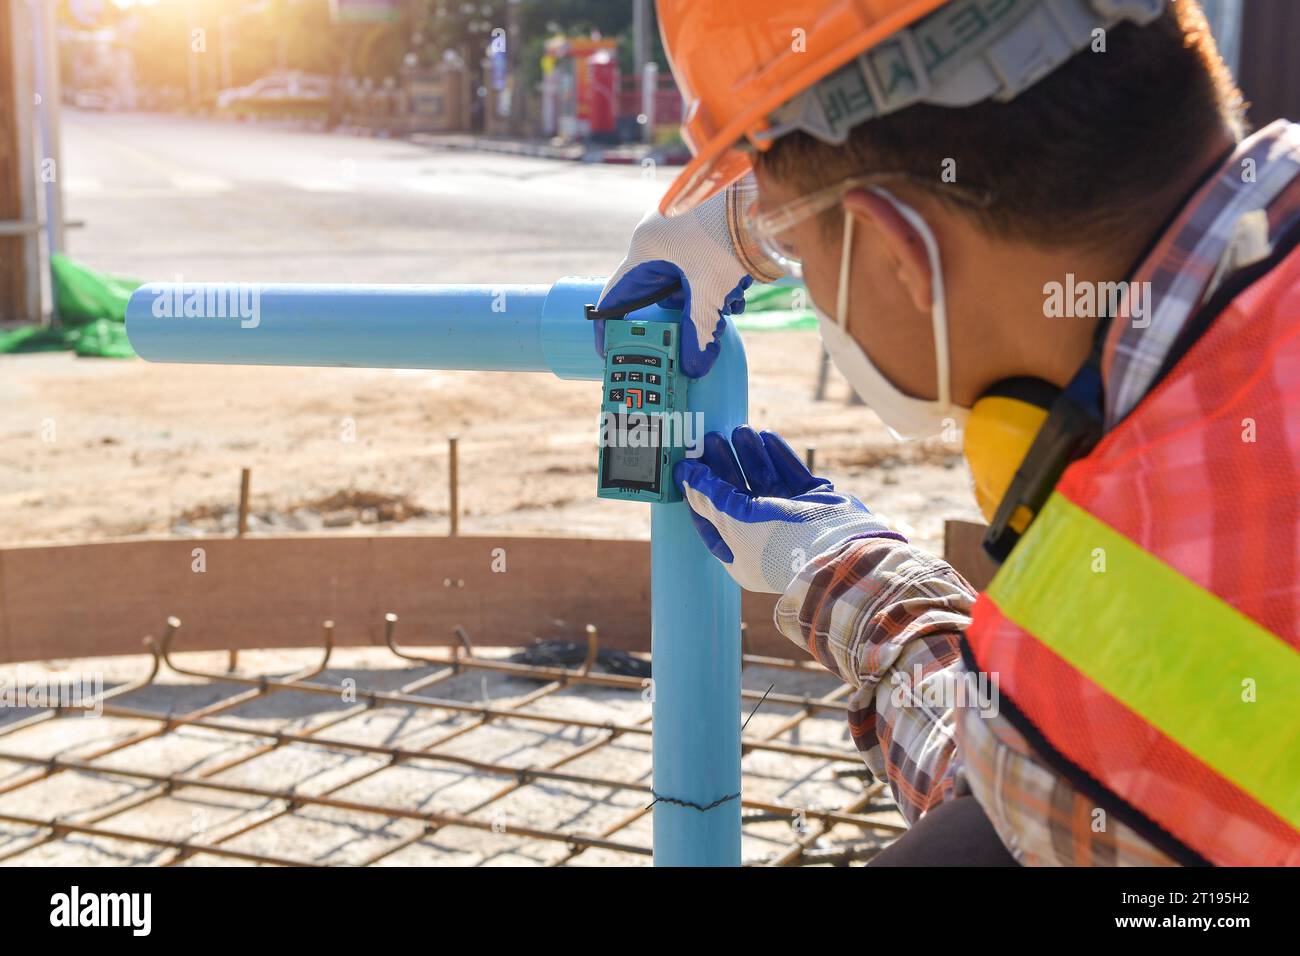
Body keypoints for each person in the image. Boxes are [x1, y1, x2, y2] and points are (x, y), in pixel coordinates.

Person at [595, 0, 1300, 866]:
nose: (803, 276)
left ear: (899, 253)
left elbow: (1016, 809)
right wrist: (768, 215)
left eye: (799, 250)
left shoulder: (1102, 691)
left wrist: (845, 577)